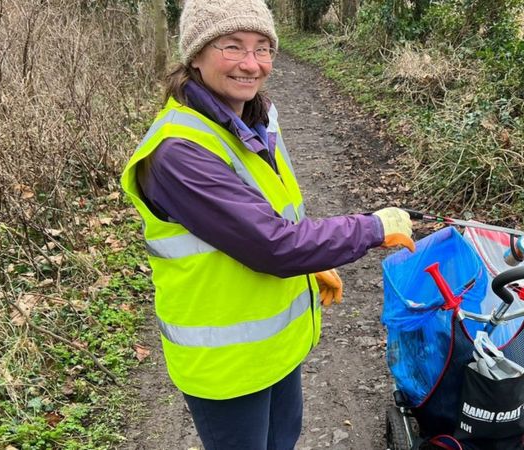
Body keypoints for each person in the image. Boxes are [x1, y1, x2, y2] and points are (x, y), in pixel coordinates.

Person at [119, 0, 415, 448]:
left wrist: (308, 264)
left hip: (274, 350)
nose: (251, 64)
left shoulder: (250, 120)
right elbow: (273, 244)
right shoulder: (179, 151)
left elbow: (264, 220)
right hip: (226, 366)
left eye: (263, 48)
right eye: (232, 47)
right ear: (195, 55)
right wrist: (370, 228)